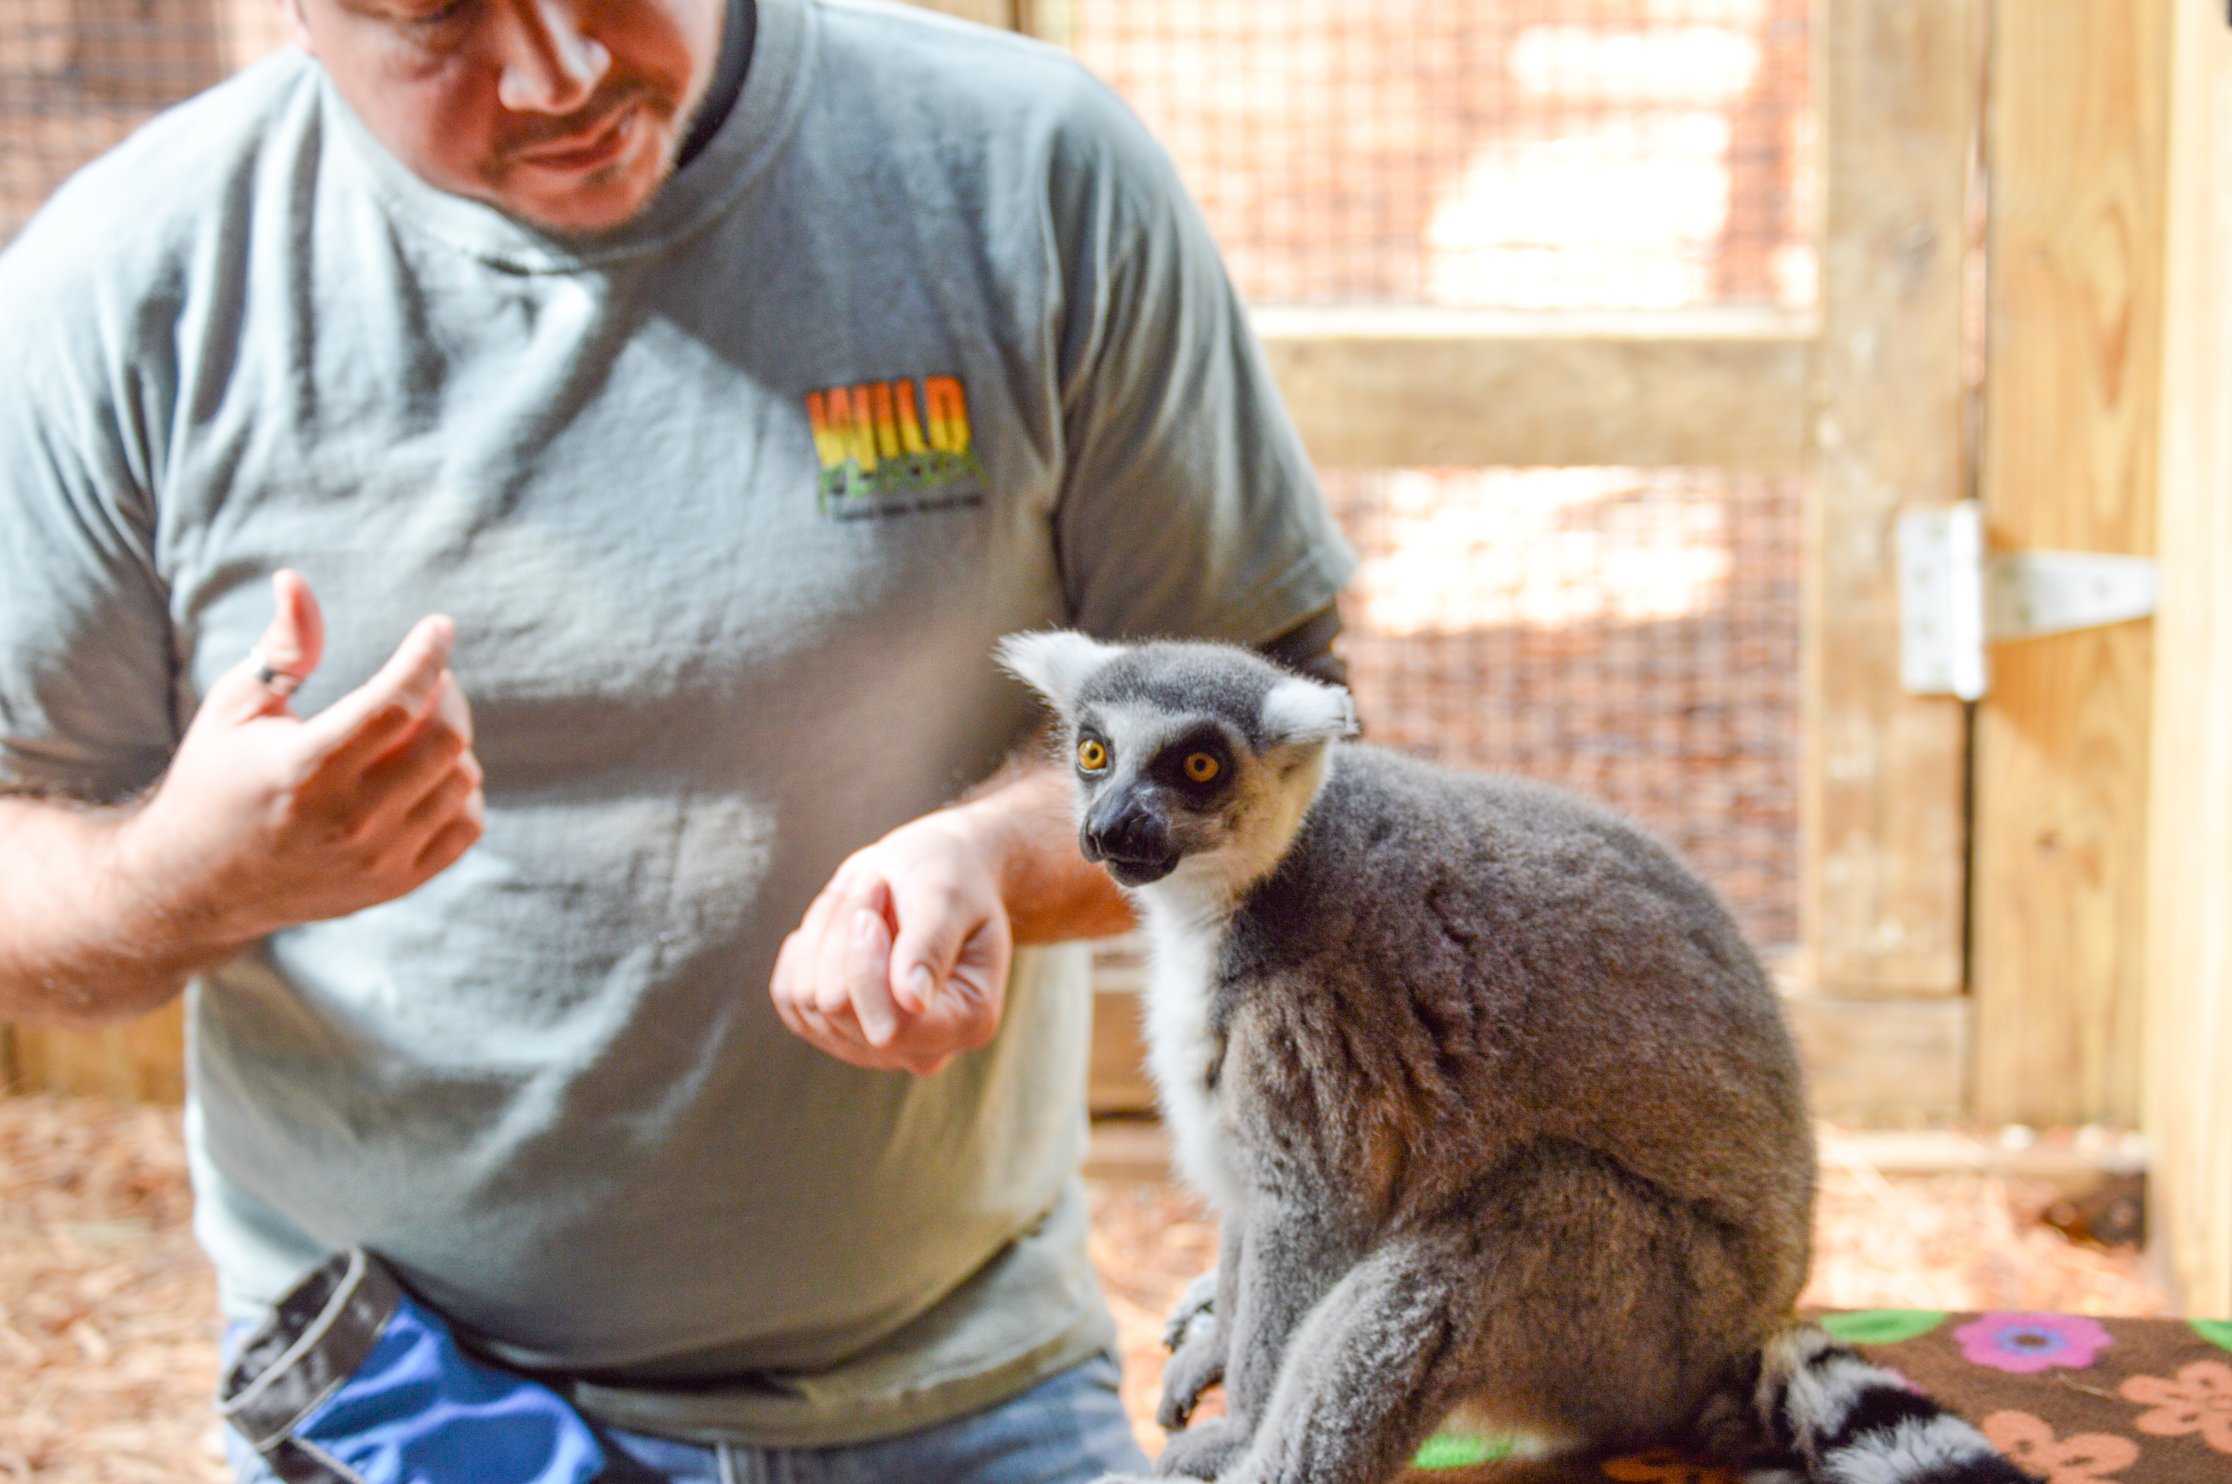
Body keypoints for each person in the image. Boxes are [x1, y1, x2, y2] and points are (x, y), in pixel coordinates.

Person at [0, 0, 1355, 1478]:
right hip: (402, 1402)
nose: (562, 71)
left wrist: (992, 853)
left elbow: (1280, 725)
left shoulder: (1027, 168)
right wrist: (187, 877)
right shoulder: (127, 281)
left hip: (966, 1397)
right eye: (440, 16)